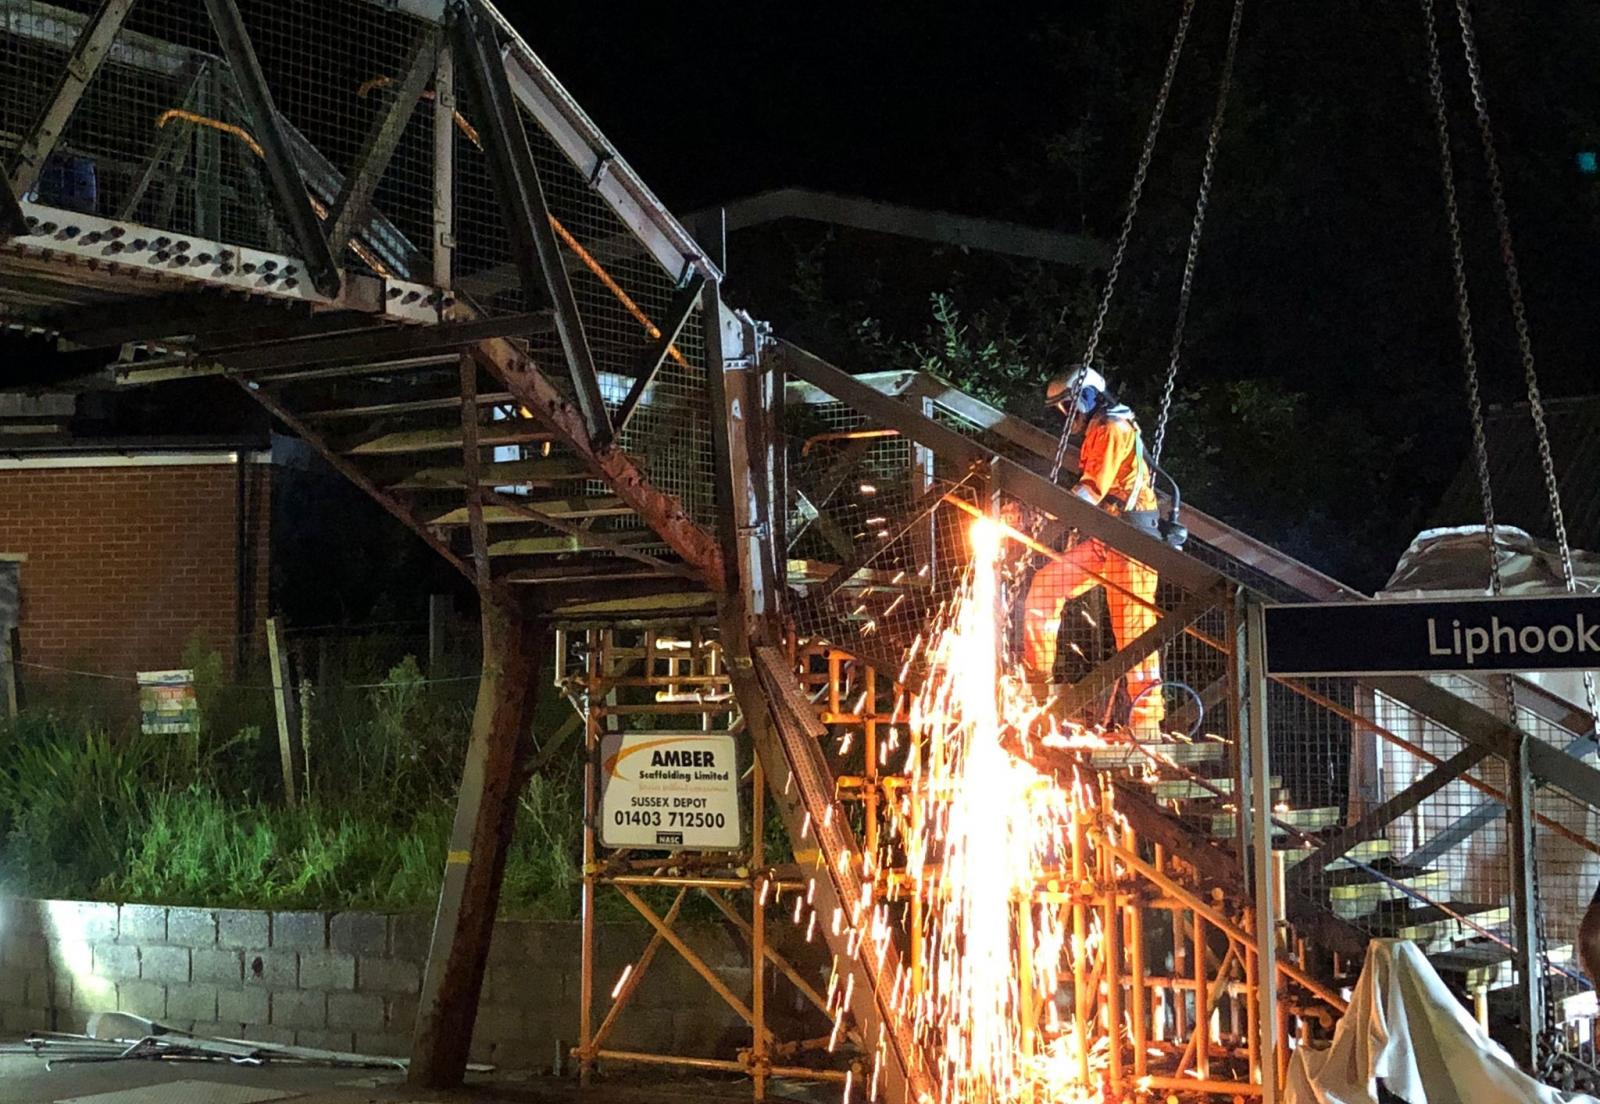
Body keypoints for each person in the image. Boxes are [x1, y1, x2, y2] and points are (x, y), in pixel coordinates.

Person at [1022, 366, 1165, 737]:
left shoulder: (1114, 428)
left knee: (1134, 631)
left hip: (1132, 541)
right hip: (1107, 538)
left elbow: (1091, 492)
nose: (1066, 414)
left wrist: (1045, 510)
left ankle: (1147, 723)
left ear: (1087, 396)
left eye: (1068, 405)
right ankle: (1038, 686)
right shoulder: (1097, 430)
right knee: (1045, 587)